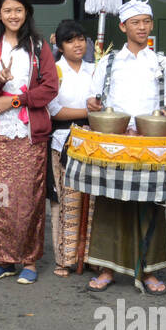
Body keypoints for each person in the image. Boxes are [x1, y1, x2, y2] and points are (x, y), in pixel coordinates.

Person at [85, 0, 166, 294]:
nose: (142, 27)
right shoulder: (108, 62)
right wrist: (94, 105)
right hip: (115, 144)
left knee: (149, 205)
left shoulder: (162, 63)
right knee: (110, 204)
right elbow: (93, 103)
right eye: (136, 22)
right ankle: (107, 268)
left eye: (146, 22)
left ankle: (149, 271)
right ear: (123, 26)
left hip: (150, 145)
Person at [0, 0, 60, 284]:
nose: (13, 15)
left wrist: (15, 100)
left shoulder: (38, 46)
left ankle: (29, 261)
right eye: (8, 10)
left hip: (29, 132)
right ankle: (4, 259)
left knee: (29, 197)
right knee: (1, 197)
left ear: (26, 13)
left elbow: (50, 88)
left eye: (18, 10)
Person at [46, 19, 95, 278]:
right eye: (70, 40)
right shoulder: (54, 71)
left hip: (93, 139)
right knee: (65, 200)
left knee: (92, 200)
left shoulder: (95, 69)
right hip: (63, 139)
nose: (77, 44)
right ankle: (64, 258)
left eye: (80, 39)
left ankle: (88, 256)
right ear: (60, 45)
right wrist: (89, 111)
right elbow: (54, 111)